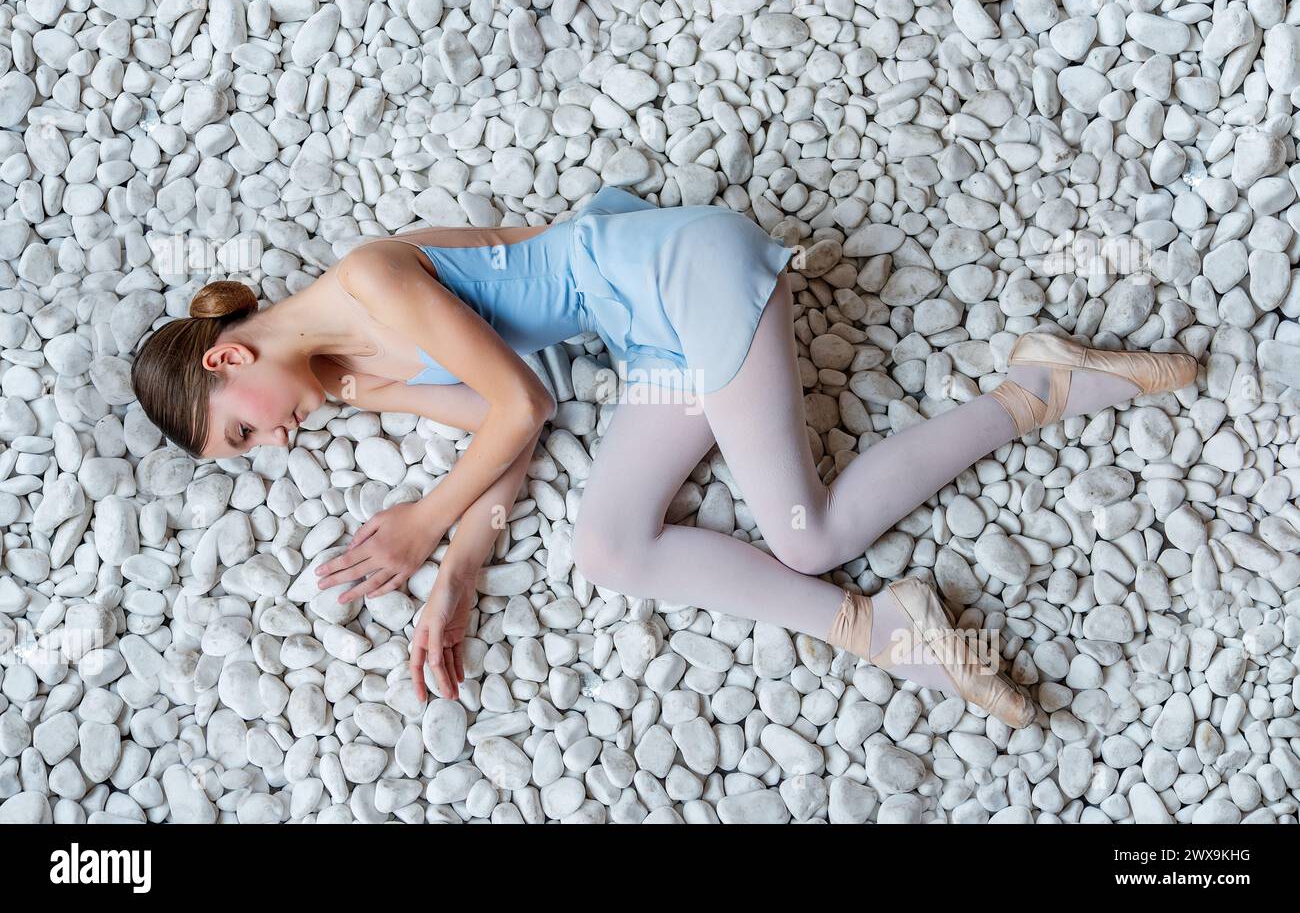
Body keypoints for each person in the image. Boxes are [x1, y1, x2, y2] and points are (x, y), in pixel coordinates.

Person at [131, 185, 1198, 729]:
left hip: (680, 274)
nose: (276, 440)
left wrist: (420, 523)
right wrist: (454, 573)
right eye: (254, 453)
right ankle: (879, 627)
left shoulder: (368, 280)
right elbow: (520, 423)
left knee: (807, 534)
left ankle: (1038, 384)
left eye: (245, 429)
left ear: (229, 356)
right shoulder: (348, 378)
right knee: (605, 545)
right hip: (646, 337)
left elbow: (512, 398)